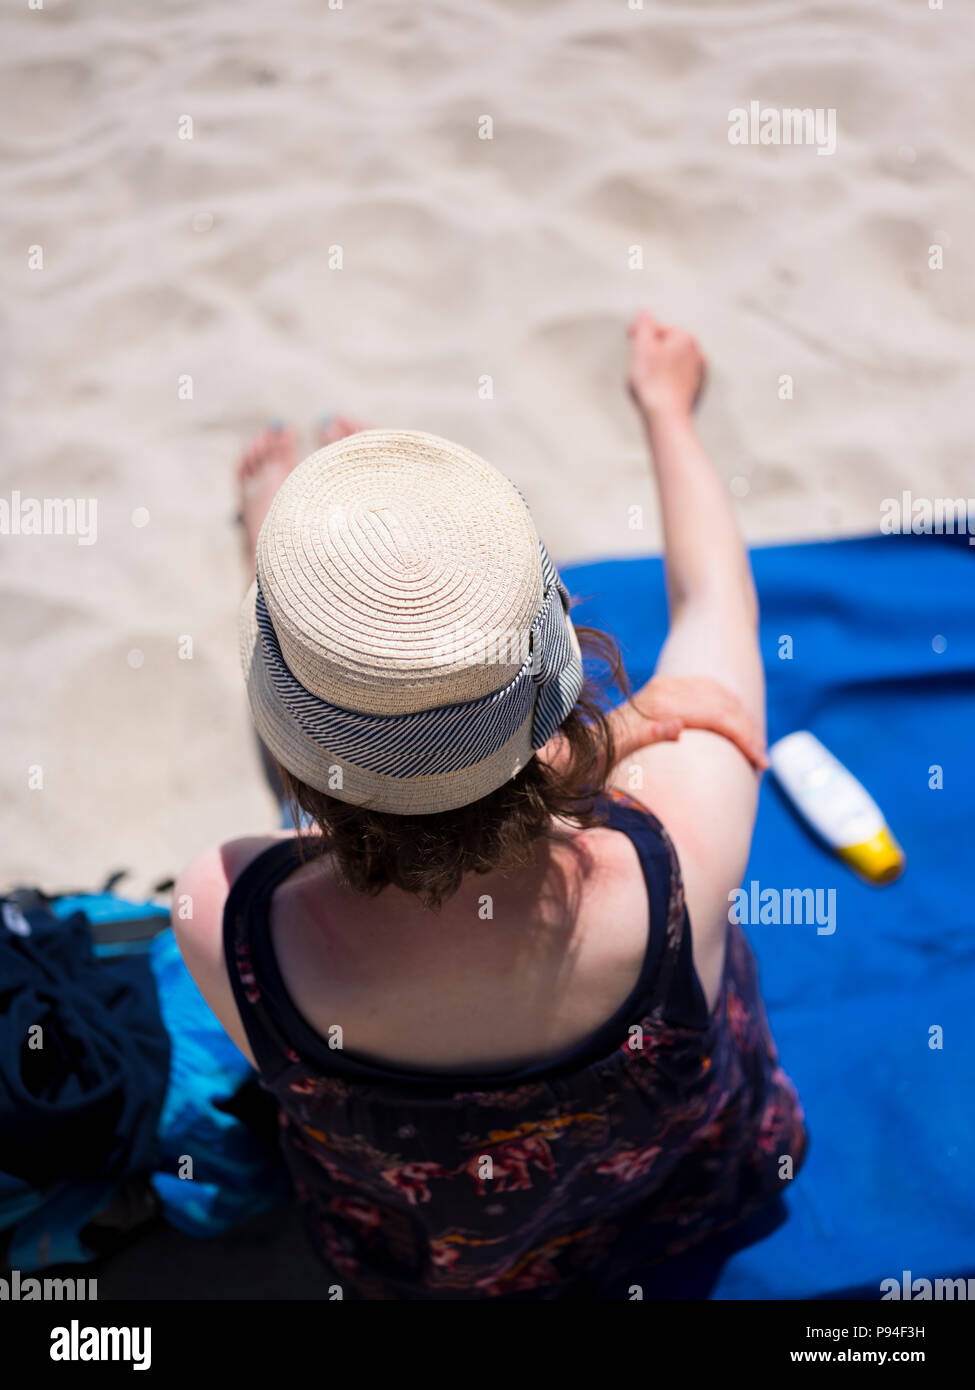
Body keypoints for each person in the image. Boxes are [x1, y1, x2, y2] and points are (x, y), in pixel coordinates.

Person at [174, 311, 807, 1300]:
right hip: (682, 1201)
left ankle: (300, 572)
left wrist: (340, 645)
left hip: (438, 1271)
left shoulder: (223, 908)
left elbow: (362, 826)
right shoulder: (676, 839)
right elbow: (717, 601)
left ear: (291, 746)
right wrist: (666, 408)